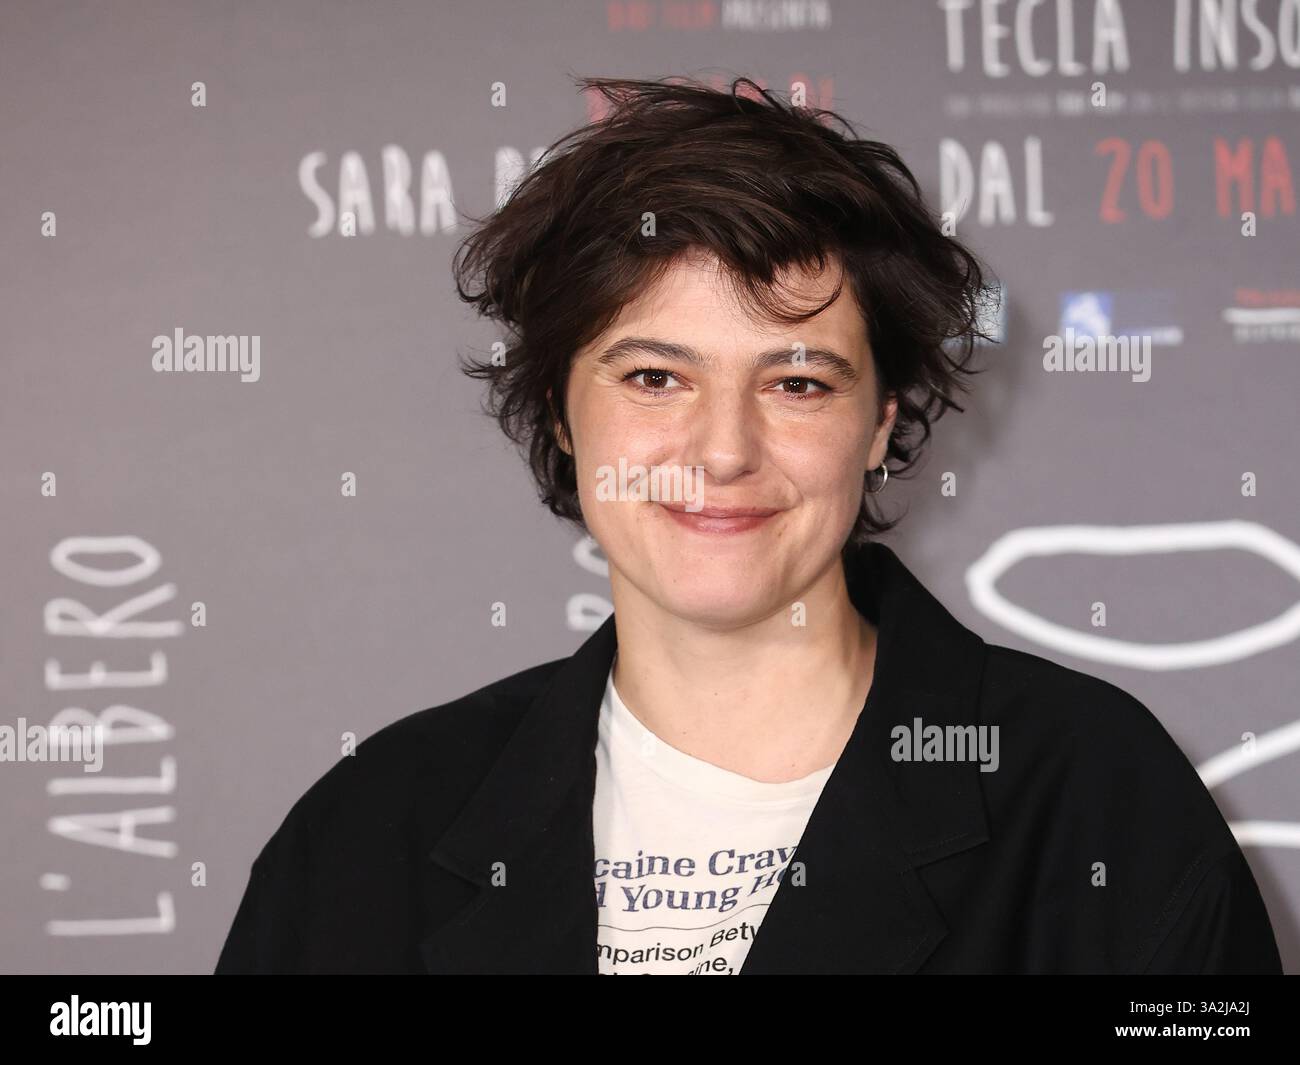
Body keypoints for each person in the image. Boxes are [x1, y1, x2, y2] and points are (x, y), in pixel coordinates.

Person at [214, 75, 1282, 974]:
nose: (722, 450)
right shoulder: (372, 830)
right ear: (559, 414)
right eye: (652, 376)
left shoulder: (1094, 798)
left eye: (800, 384)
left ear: (879, 426)